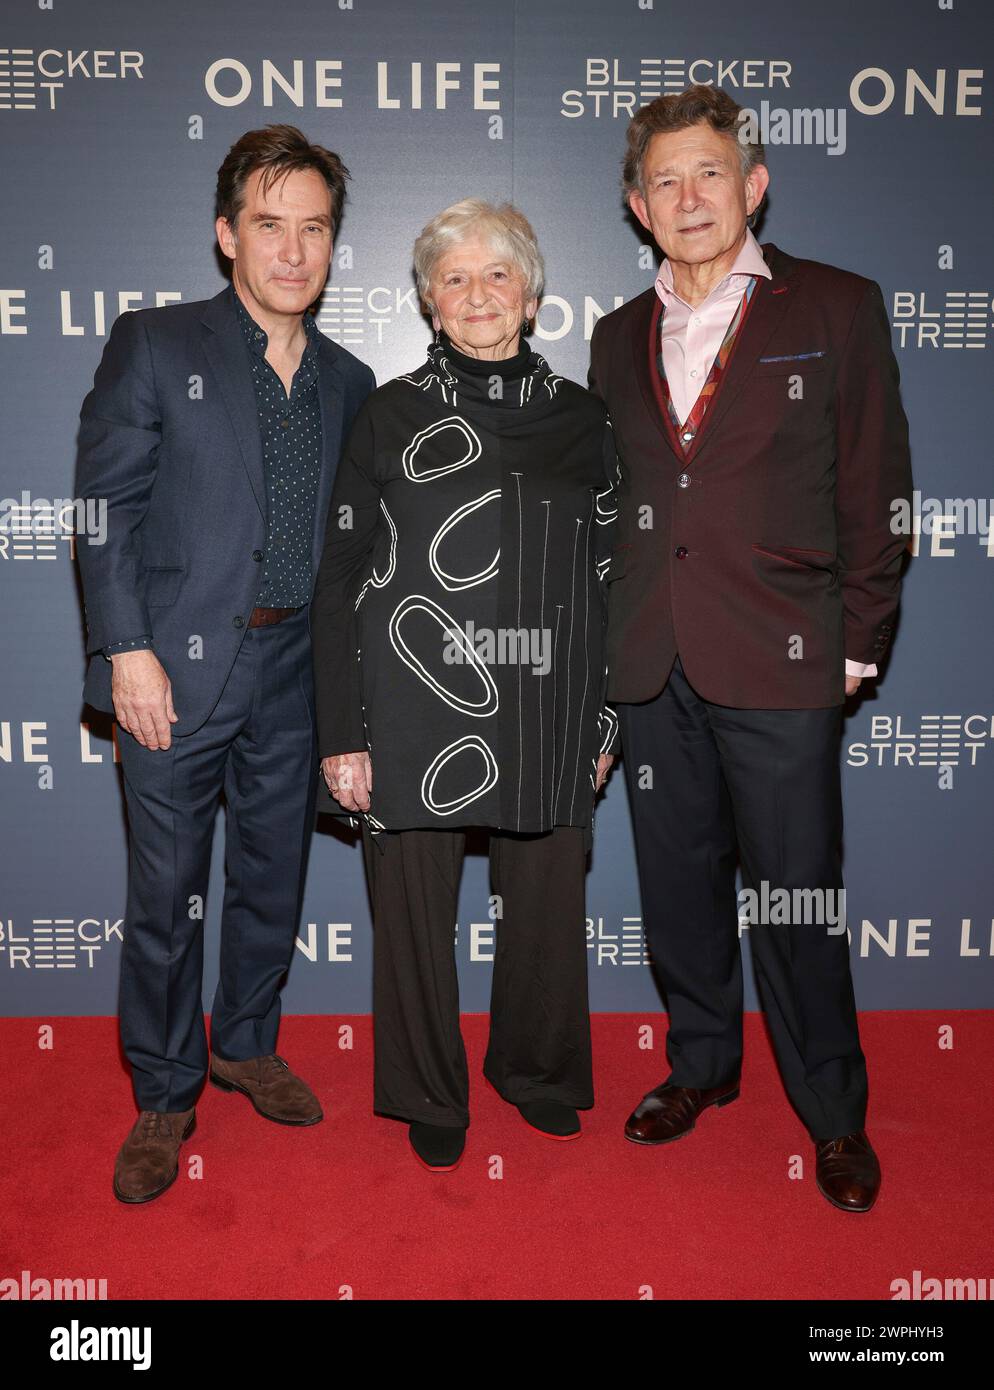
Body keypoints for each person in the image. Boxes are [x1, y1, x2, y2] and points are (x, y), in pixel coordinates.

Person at [588, 86, 913, 1212]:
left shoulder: (836, 307)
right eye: (665, 180)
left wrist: (854, 646)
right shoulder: (611, 336)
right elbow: (618, 507)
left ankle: (831, 1111)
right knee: (676, 891)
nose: (688, 197)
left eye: (709, 173)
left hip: (783, 661)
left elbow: (878, 495)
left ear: (753, 184)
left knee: (793, 902)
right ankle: (700, 1066)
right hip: (648, 667)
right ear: (637, 204)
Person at [75, 124, 375, 1204]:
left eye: (314, 229)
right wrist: (127, 649)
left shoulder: (351, 378)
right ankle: (164, 1090)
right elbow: (102, 512)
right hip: (174, 668)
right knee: (166, 894)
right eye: (268, 225)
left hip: (296, 668)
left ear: (334, 244)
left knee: (269, 878)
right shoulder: (156, 346)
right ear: (224, 235)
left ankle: (246, 1041)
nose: (292, 251)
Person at [311, 199, 620, 1172]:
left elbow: (613, 574)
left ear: (530, 294)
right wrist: (340, 728)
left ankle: (533, 1070)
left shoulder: (585, 420)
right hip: (408, 693)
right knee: (409, 907)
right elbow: (339, 577)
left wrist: (604, 713)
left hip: (547, 695)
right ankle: (427, 1088)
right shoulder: (390, 412)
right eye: (455, 277)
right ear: (429, 301)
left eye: (497, 275)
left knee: (542, 904)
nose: (477, 294)